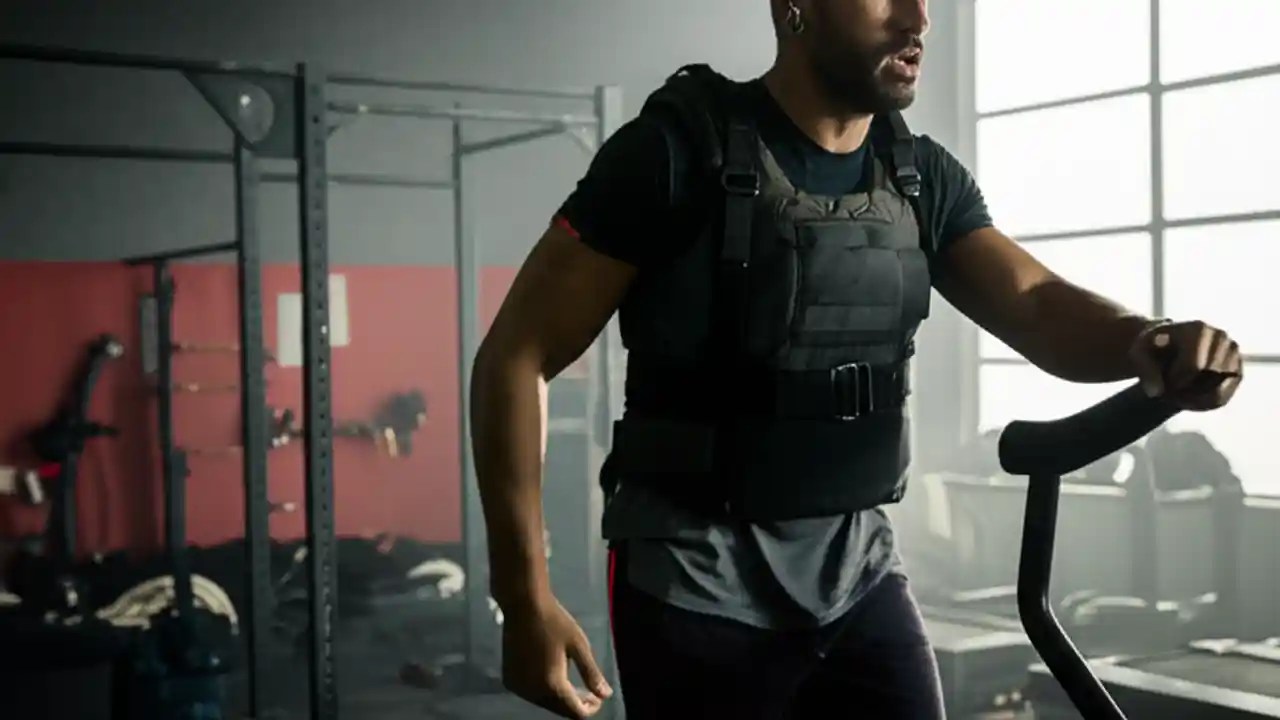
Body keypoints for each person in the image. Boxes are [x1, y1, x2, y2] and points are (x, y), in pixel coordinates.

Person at [469, 1, 1245, 718]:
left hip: (858, 576)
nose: (917, 18)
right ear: (794, 5)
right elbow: (517, 354)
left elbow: (1037, 303)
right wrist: (523, 594)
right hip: (695, 586)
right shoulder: (675, 150)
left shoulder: (920, 176)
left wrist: (1151, 341)